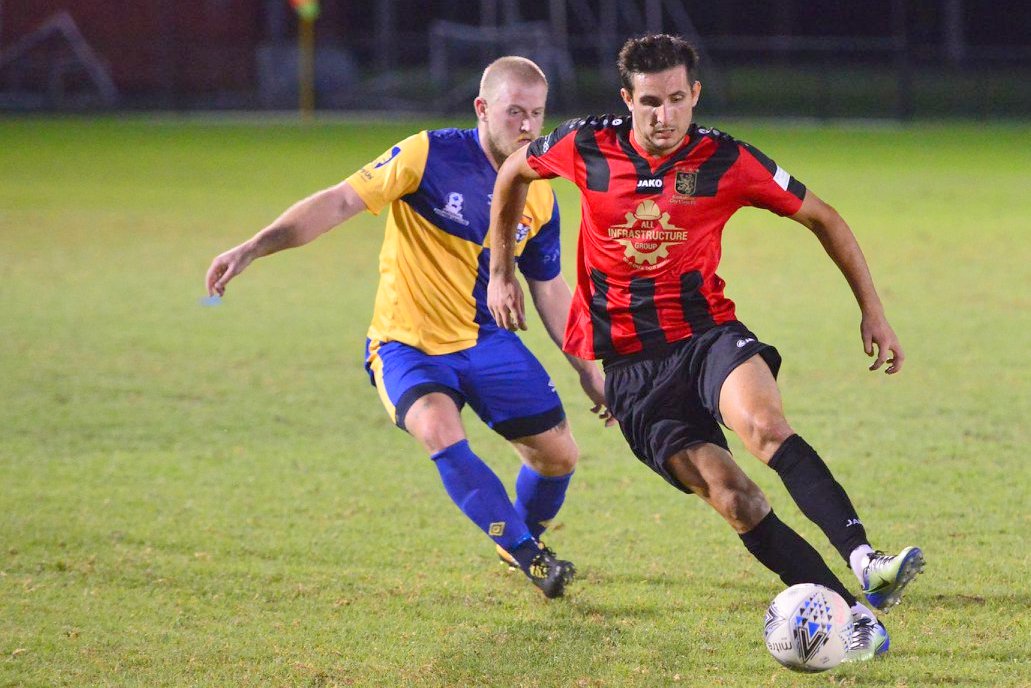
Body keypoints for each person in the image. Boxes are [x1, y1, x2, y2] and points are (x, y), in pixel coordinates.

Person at [487, 35, 924, 657]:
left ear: (694, 94)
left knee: (765, 427)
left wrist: (872, 310)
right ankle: (850, 615)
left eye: (675, 99)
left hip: (706, 335)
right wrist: (501, 269)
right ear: (627, 100)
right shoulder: (585, 144)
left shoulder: (725, 158)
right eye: (649, 102)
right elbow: (513, 171)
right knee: (738, 500)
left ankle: (864, 559)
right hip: (632, 370)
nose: (663, 116)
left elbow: (823, 216)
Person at [206, 56, 609, 599]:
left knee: (559, 457)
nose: (528, 127)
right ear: (482, 108)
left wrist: (587, 369)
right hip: (406, 345)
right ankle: (528, 555)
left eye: (537, 114)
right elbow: (340, 200)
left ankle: (517, 534)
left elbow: (549, 288)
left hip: (484, 341)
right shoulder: (427, 154)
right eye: (515, 112)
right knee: (439, 430)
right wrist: (255, 247)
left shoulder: (539, 192)